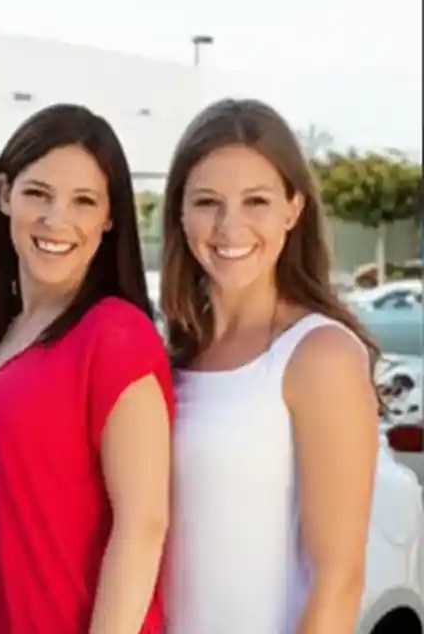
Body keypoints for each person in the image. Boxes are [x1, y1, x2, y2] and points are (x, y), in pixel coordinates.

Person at [0, 104, 173, 633]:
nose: (56, 219)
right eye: (37, 193)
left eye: (83, 201)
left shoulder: (115, 334)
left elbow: (143, 525)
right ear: (3, 195)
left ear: (109, 219)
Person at [160, 98, 380, 633]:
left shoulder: (318, 355)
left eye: (256, 201)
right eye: (207, 201)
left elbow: (339, 579)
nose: (229, 227)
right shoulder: (169, 356)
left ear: (293, 209)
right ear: (181, 213)